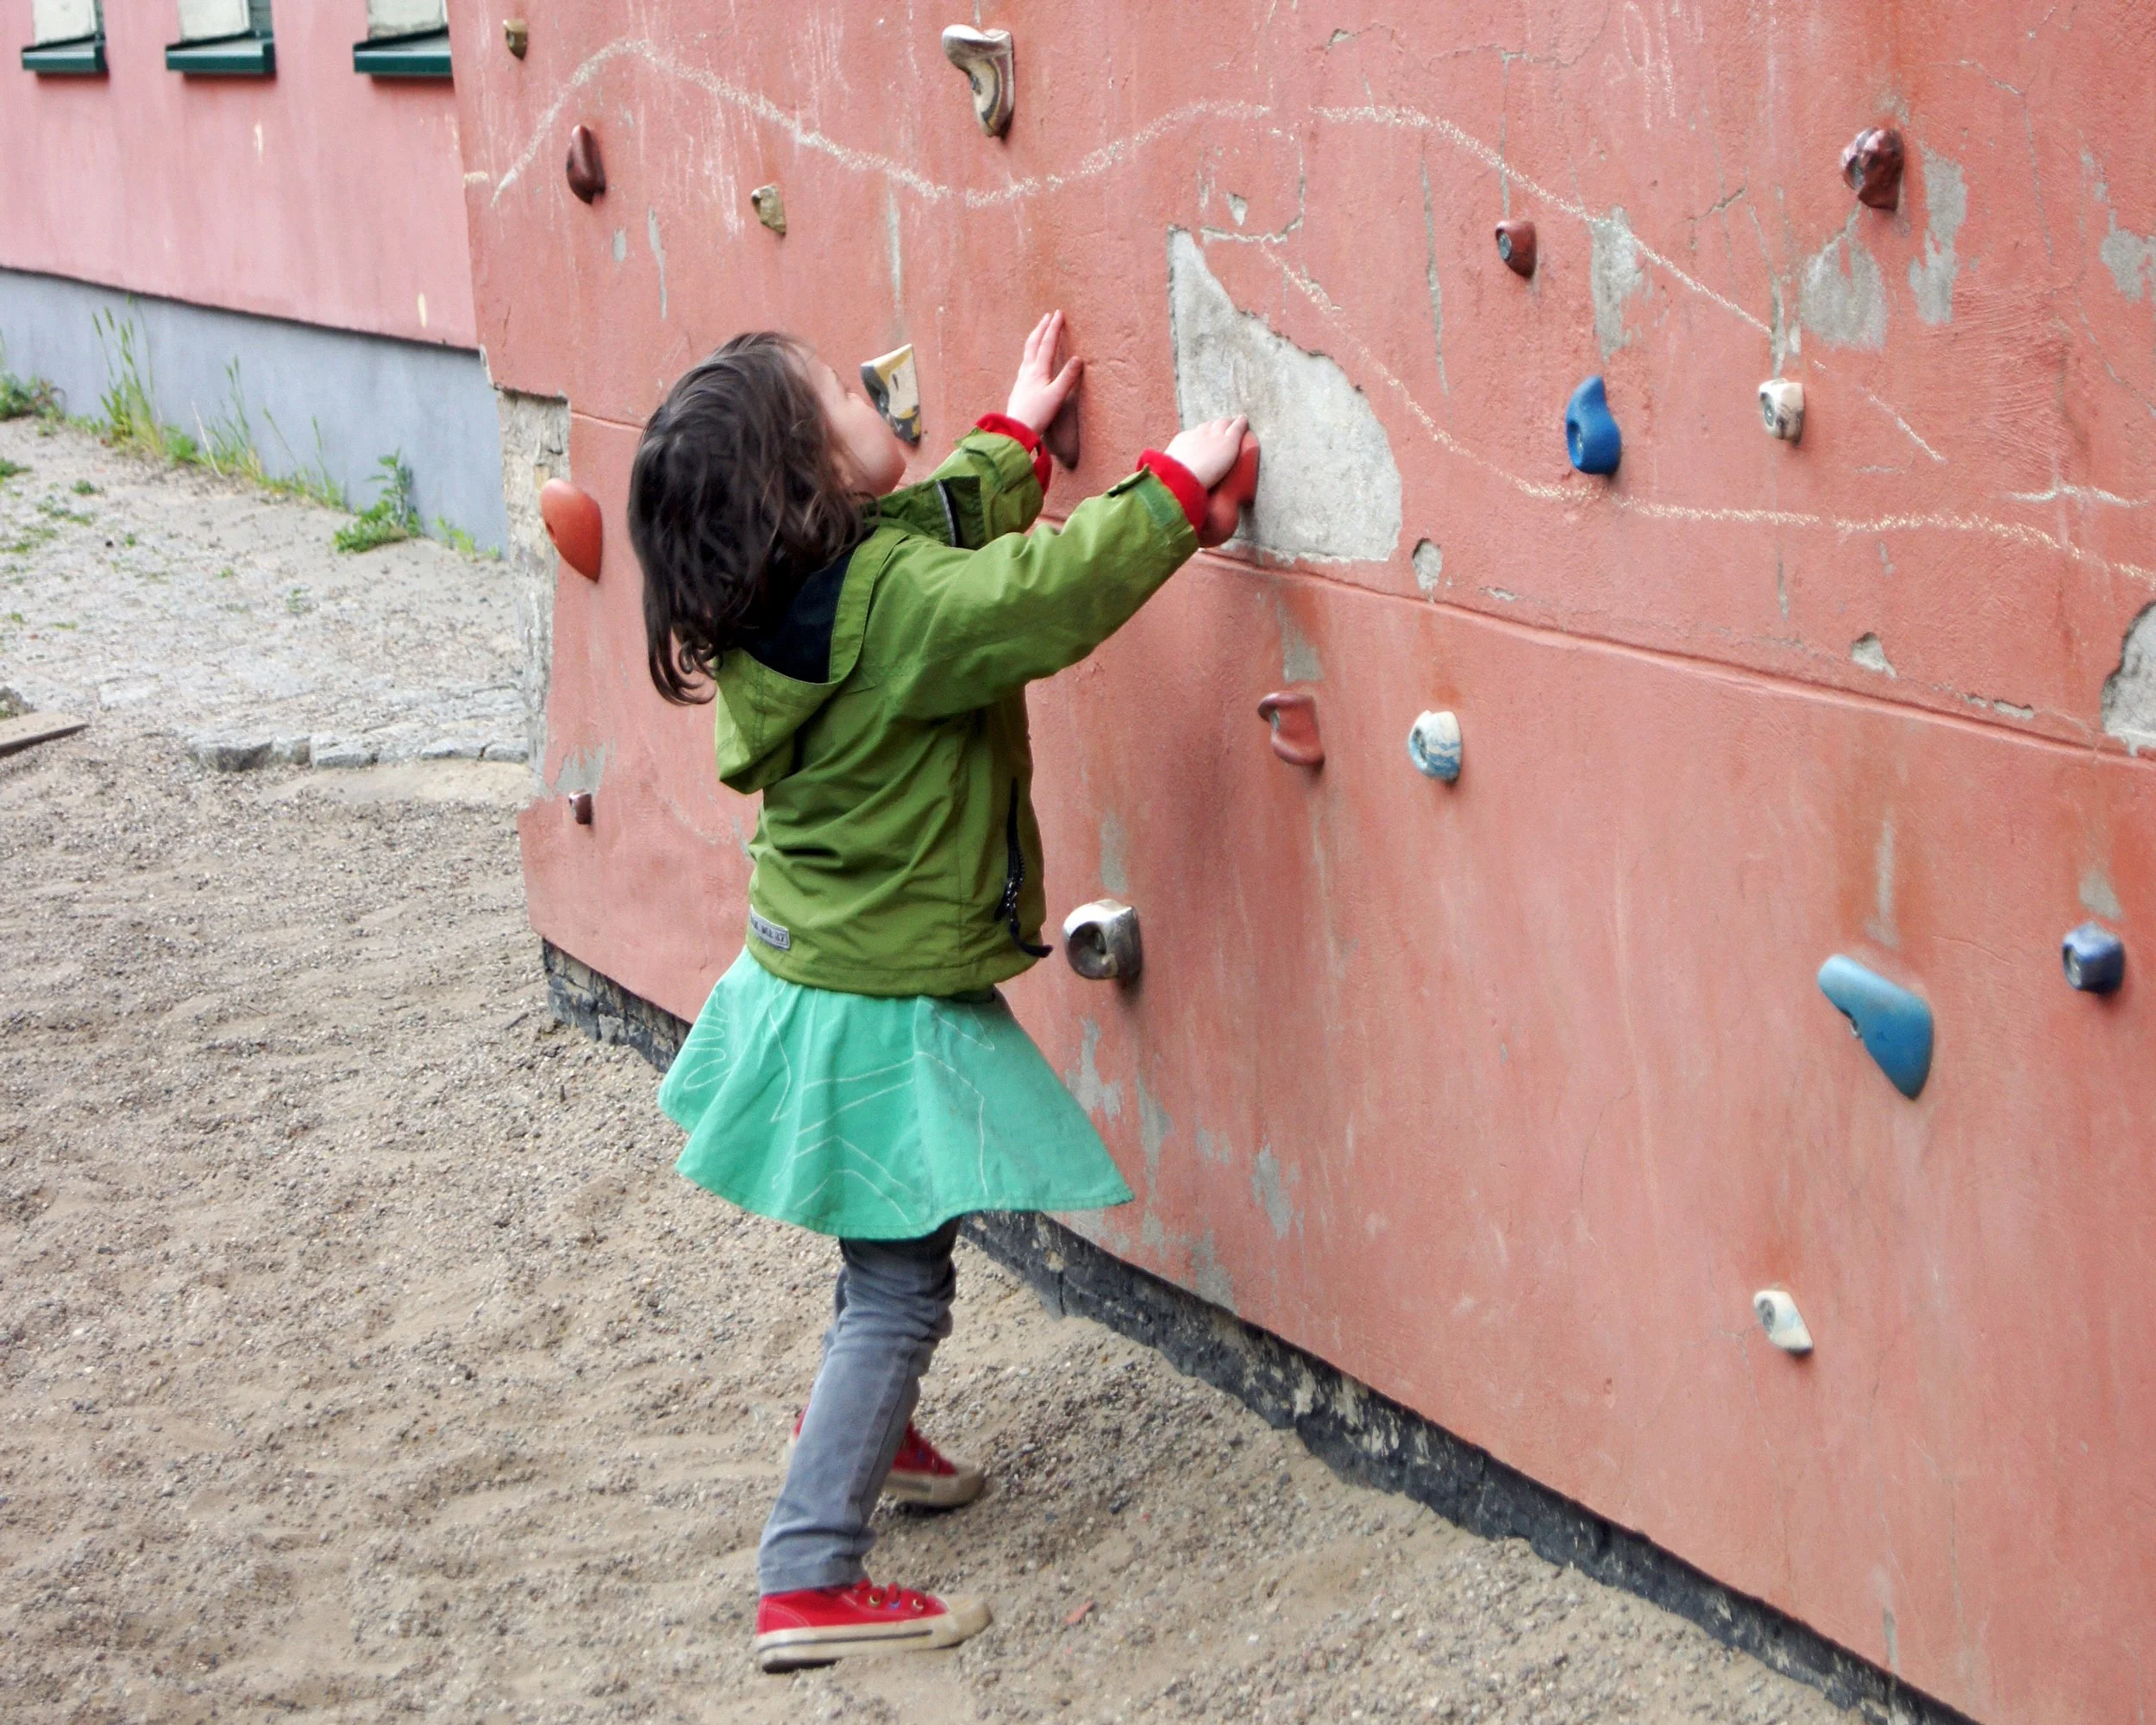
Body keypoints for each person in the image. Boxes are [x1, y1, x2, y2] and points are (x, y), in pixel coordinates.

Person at [628, 311, 1248, 1672]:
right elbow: (1029, 600)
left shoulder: (811, 590)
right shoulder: (891, 610)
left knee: (884, 1253)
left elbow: (941, 522)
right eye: (836, 393)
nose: (864, 384)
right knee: (903, 1281)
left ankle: (869, 1438)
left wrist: (1017, 435)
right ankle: (808, 1579)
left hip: (819, 967)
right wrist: (1173, 498)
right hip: (877, 991)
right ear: (811, 482)